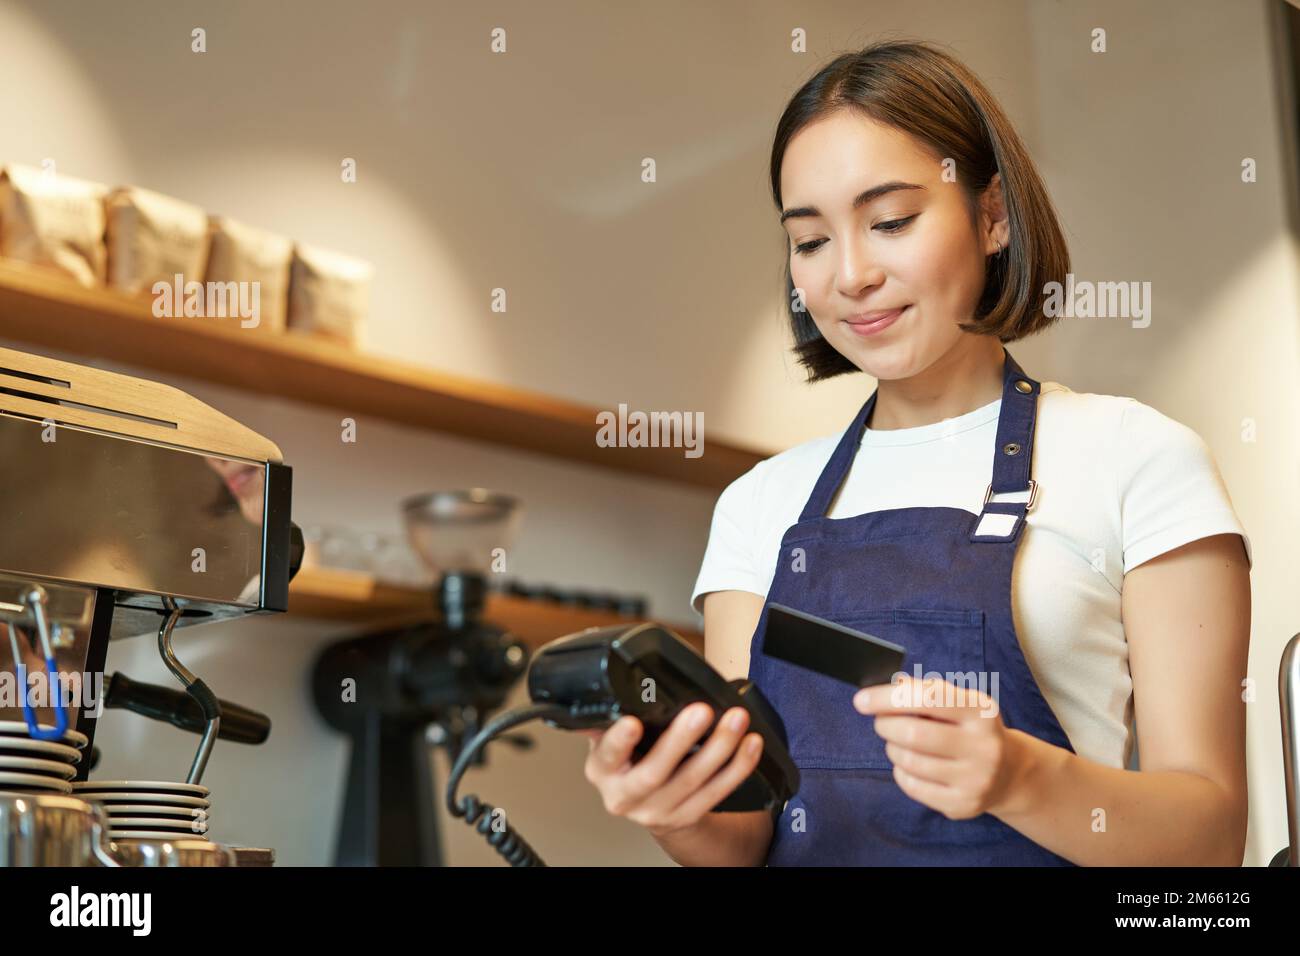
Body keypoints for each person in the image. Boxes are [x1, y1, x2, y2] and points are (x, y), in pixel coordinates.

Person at [580, 39, 1252, 866]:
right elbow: (743, 833)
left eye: (891, 221)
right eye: (811, 240)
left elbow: (1212, 834)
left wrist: (1016, 778)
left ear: (994, 214)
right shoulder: (760, 505)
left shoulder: (1138, 460)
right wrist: (673, 810)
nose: (851, 274)